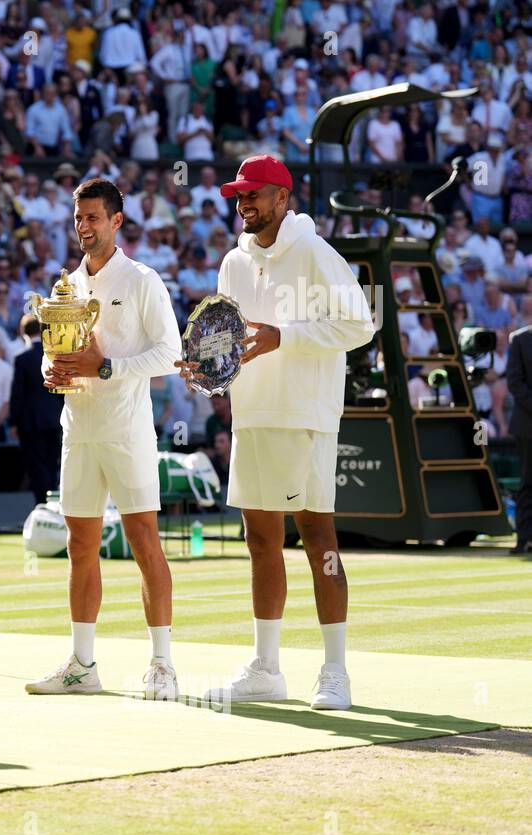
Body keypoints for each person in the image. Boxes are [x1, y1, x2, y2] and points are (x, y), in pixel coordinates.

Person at [178, 155, 373, 710]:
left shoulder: (314, 251)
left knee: (319, 541)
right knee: (259, 541)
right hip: (254, 413)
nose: (244, 203)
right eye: (239, 194)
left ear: (283, 198)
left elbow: (360, 324)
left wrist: (283, 336)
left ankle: (335, 672)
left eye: (255, 194)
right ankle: (266, 668)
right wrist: (202, 366)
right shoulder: (232, 263)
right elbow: (228, 339)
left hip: (306, 414)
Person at [25, 178, 181, 700]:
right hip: (78, 429)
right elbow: (57, 351)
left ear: (117, 221)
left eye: (93, 217)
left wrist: (106, 365)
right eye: (78, 219)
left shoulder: (142, 280)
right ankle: (82, 665)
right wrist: (53, 369)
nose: (84, 227)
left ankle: (163, 665)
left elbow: (170, 355)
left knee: (144, 543)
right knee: (80, 547)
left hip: (127, 431)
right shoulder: (67, 286)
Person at [9, 316, 64, 506]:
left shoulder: (21, 359)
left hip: (31, 423)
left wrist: (13, 422)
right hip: (55, 419)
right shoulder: (55, 355)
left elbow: (18, 394)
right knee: (53, 464)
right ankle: (55, 505)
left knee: (37, 467)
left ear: (23, 332)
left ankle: (43, 506)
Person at [507, 324, 532, 554]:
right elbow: (514, 382)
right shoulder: (520, 339)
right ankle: (524, 538)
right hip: (527, 424)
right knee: (527, 481)